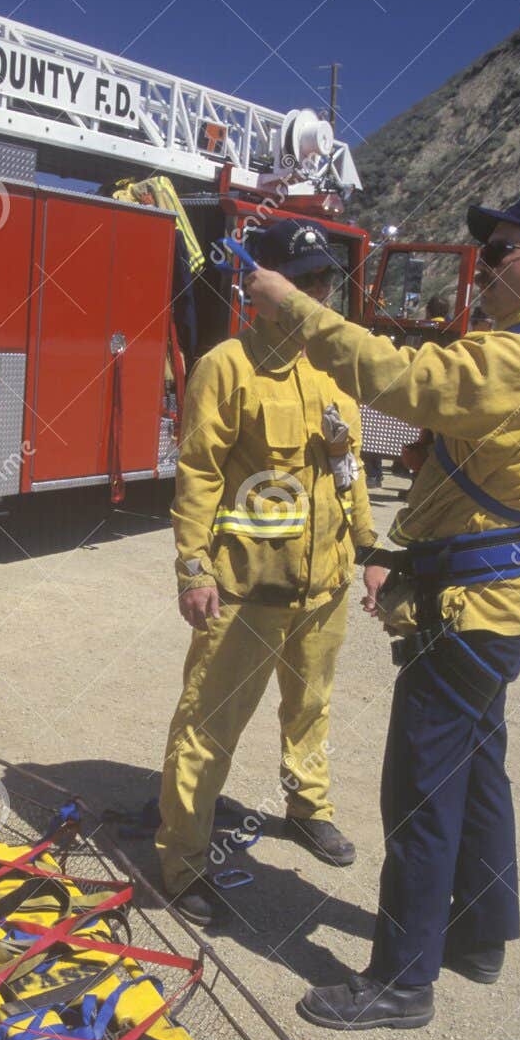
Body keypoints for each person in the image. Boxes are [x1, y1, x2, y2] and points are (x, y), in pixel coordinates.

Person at [245, 180, 520, 1029]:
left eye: (503, 252)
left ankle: (403, 979)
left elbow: (399, 378)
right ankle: (478, 936)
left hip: (467, 614)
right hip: (487, 607)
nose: (484, 266)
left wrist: (293, 306)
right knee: (477, 779)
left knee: (420, 791)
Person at [156, 218, 377, 925]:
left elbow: (352, 470)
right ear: (264, 286)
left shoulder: (336, 365)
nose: (320, 290)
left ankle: (307, 806)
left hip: (326, 582)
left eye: (325, 279)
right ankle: (183, 860)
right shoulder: (228, 365)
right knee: (210, 723)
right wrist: (194, 569)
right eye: (305, 278)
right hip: (248, 587)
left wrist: (368, 553)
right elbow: (197, 473)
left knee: (311, 706)